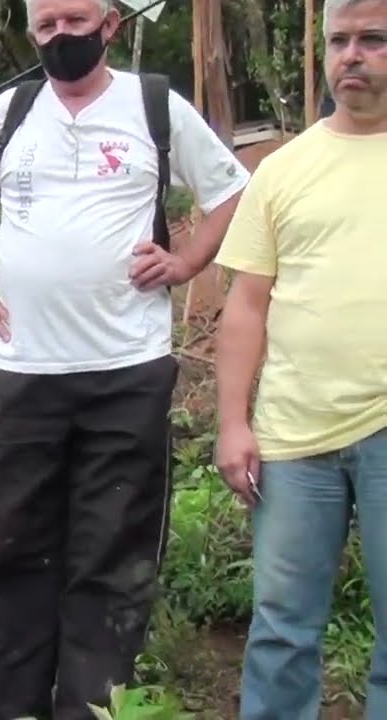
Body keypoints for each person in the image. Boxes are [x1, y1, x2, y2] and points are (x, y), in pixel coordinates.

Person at [0, 0, 250, 716]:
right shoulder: (10, 114)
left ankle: (91, 706)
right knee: (11, 551)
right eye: (46, 26)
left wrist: (188, 257)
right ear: (33, 32)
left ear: (109, 23)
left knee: (112, 554)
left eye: (75, 21)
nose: (60, 38)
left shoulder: (154, 105)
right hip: (25, 373)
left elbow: (230, 191)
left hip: (127, 372)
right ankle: (11, 704)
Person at [214, 0, 387, 715]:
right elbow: (246, 306)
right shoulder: (284, 171)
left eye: (374, 39)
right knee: (282, 630)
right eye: (340, 40)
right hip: (292, 439)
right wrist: (232, 423)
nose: (353, 54)